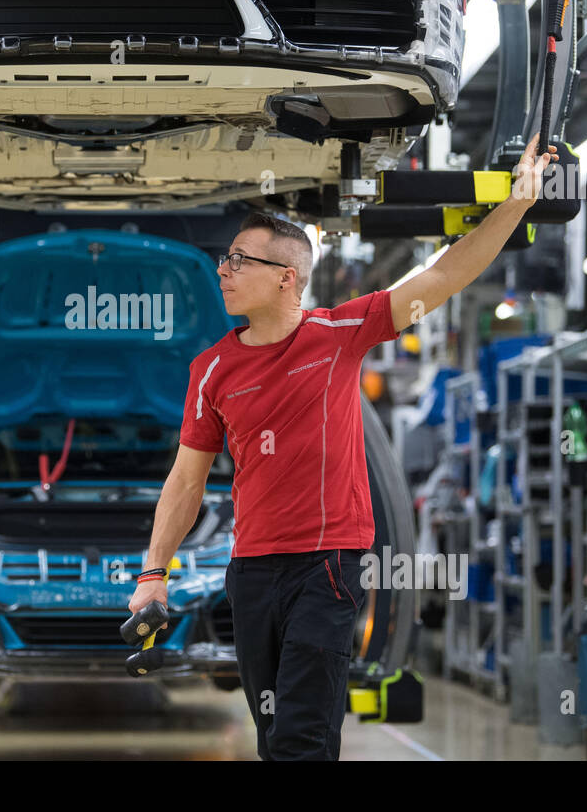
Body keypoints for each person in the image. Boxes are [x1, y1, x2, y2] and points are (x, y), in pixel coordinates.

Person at [129, 134, 557, 760]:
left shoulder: (341, 333)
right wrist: (152, 573)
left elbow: (445, 272)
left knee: (301, 732)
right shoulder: (211, 370)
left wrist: (517, 204)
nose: (223, 270)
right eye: (224, 259)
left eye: (239, 260)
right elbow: (185, 482)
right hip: (250, 570)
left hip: (327, 565)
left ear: (286, 277)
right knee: (276, 733)